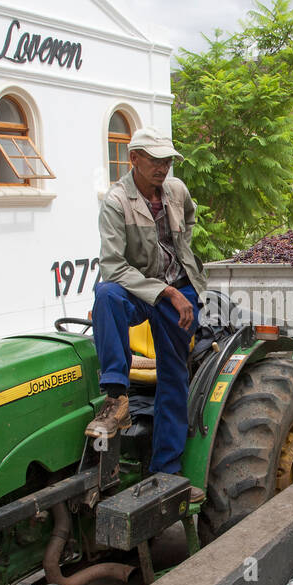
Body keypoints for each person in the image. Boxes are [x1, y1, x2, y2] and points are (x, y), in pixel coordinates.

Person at [86, 127, 208, 502]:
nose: (163, 167)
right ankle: (116, 396)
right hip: (142, 288)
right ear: (133, 158)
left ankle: (166, 474)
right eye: (155, 160)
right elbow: (113, 267)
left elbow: (188, 220)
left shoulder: (177, 191)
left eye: (167, 160)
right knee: (105, 295)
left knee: (174, 378)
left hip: (176, 288)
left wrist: (180, 276)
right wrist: (165, 291)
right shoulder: (116, 201)